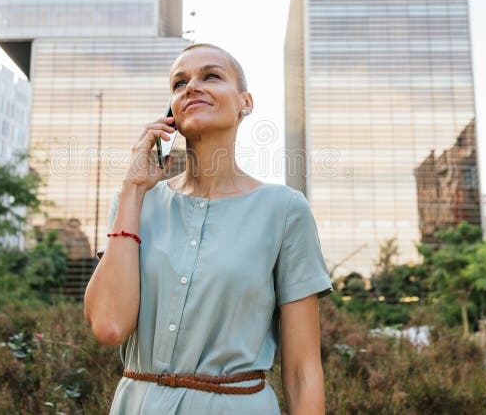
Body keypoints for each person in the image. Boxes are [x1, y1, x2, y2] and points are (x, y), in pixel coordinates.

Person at [84, 43, 333, 414]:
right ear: (170, 112)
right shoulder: (135, 204)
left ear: (245, 102)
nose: (192, 87)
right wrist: (133, 189)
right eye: (179, 83)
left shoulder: (284, 209)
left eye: (211, 76)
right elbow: (108, 327)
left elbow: (301, 371)